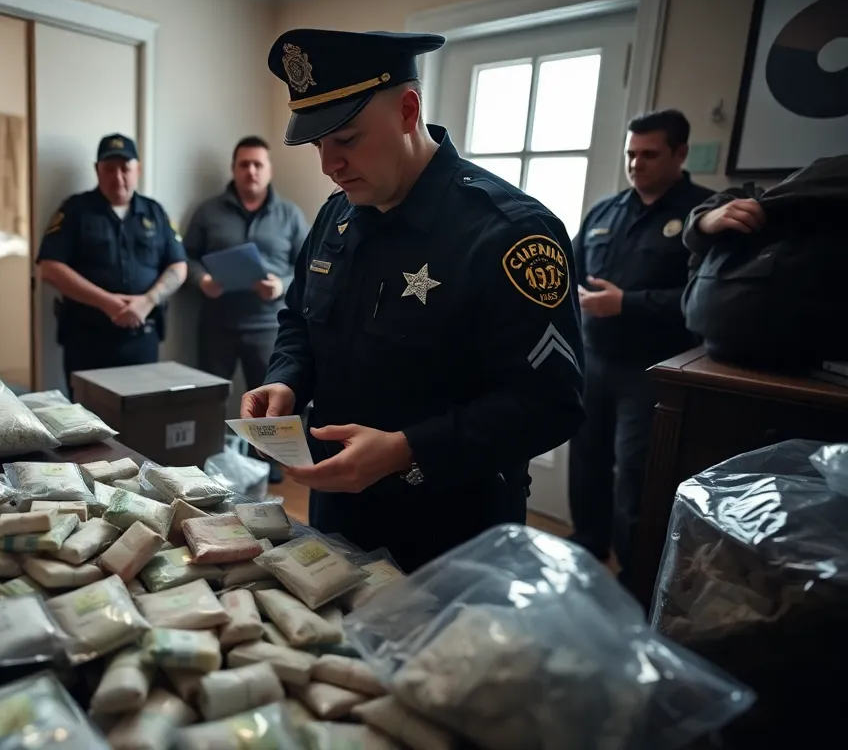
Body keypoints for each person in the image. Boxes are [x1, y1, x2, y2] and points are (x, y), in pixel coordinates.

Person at [240, 29, 585, 573]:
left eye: (347, 139)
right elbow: (299, 323)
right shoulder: (337, 215)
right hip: (337, 509)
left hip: (451, 528)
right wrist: (285, 379)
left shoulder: (510, 232)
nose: (329, 163)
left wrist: (408, 449)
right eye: (318, 145)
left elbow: (552, 402)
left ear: (407, 109)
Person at [566, 109, 715, 578]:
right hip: (592, 360)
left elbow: (704, 299)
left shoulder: (703, 216)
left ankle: (636, 574)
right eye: (631, 153)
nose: (636, 164)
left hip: (654, 371)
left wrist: (626, 303)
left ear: (680, 153)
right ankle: (586, 549)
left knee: (638, 475)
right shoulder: (605, 211)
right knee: (586, 462)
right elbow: (565, 271)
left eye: (649, 154)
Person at [37, 133, 187, 392]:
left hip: (141, 339)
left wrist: (147, 301)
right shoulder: (75, 210)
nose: (118, 177)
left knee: (140, 417)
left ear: (137, 170)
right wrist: (108, 303)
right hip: (86, 339)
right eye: (109, 169)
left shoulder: (155, 212)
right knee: (86, 423)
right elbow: (49, 268)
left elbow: (179, 266)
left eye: (125, 168)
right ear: (97, 170)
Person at [183, 135, 308, 401]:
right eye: (244, 165)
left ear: (269, 170)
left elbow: (307, 268)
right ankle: (213, 446)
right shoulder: (208, 211)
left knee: (266, 407)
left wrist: (280, 286)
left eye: (258, 165)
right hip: (216, 324)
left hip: (269, 327)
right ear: (233, 169)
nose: (251, 171)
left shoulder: (290, 214)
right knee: (208, 401)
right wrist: (202, 279)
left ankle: (257, 447)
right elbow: (185, 258)